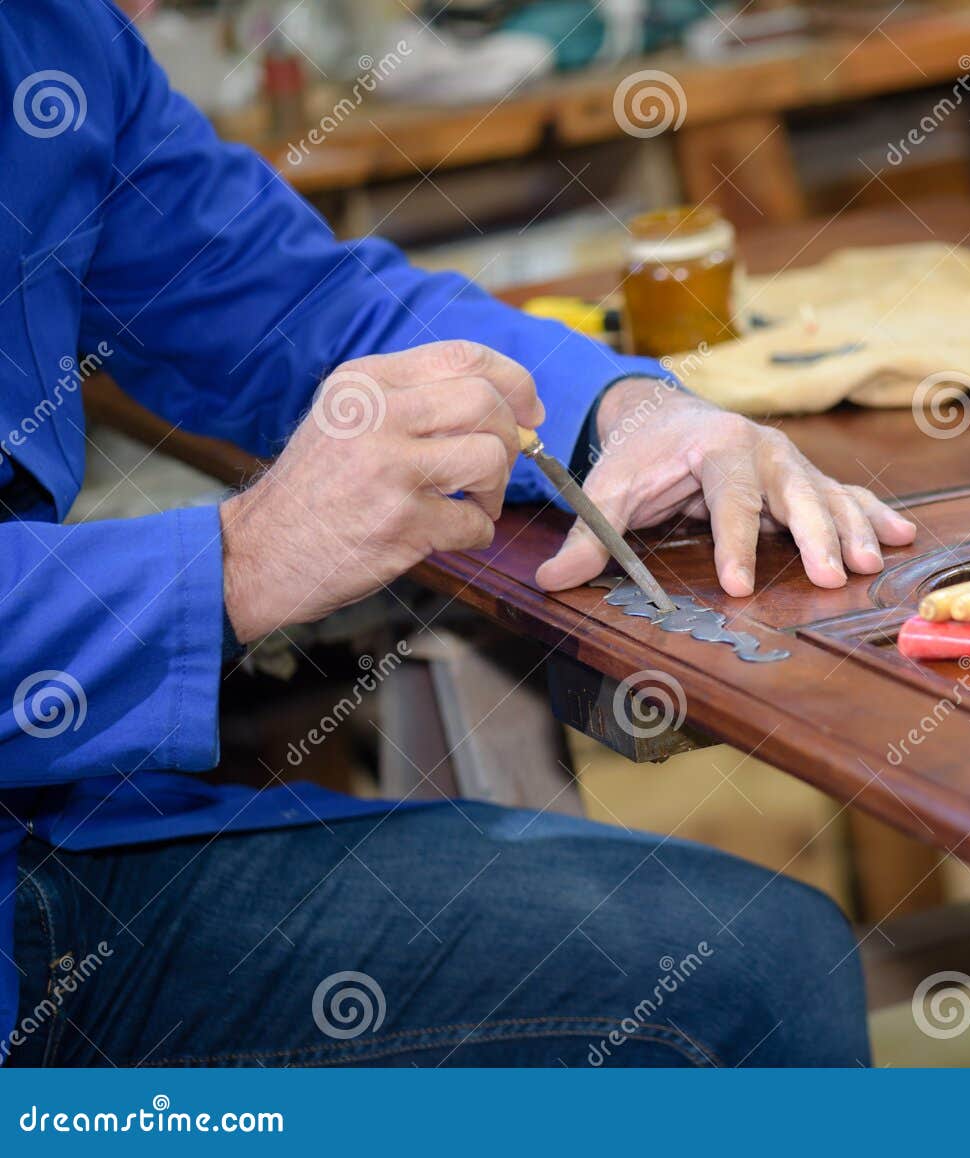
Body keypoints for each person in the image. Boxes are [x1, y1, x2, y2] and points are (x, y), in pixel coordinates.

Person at [0, 1, 916, 1067]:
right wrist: (240, 561)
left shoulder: (57, 39)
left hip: (48, 838)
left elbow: (290, 301)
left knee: (757, 970)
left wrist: (616, 410)